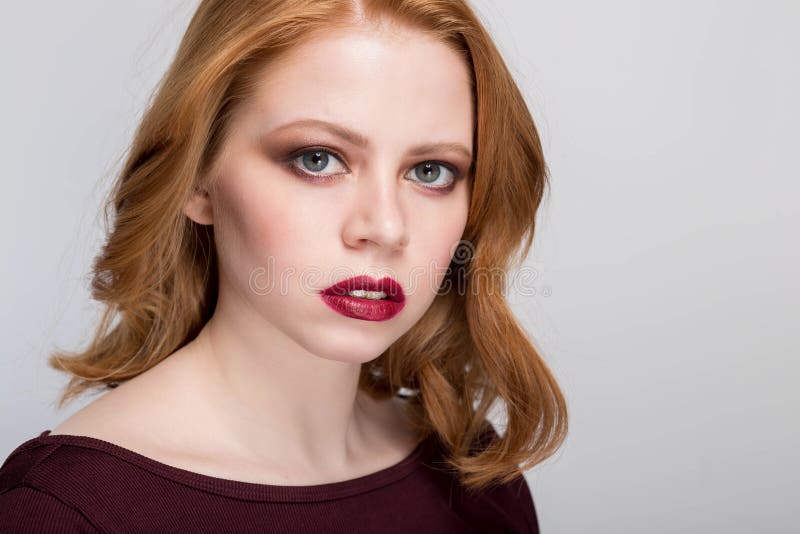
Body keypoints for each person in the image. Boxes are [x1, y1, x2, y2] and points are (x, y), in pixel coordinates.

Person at [0, 0, 567, 531]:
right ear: (197, 178)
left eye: (431, 172)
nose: (386, 228)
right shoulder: (62, 511)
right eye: (317, 159)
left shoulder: (476, 480)